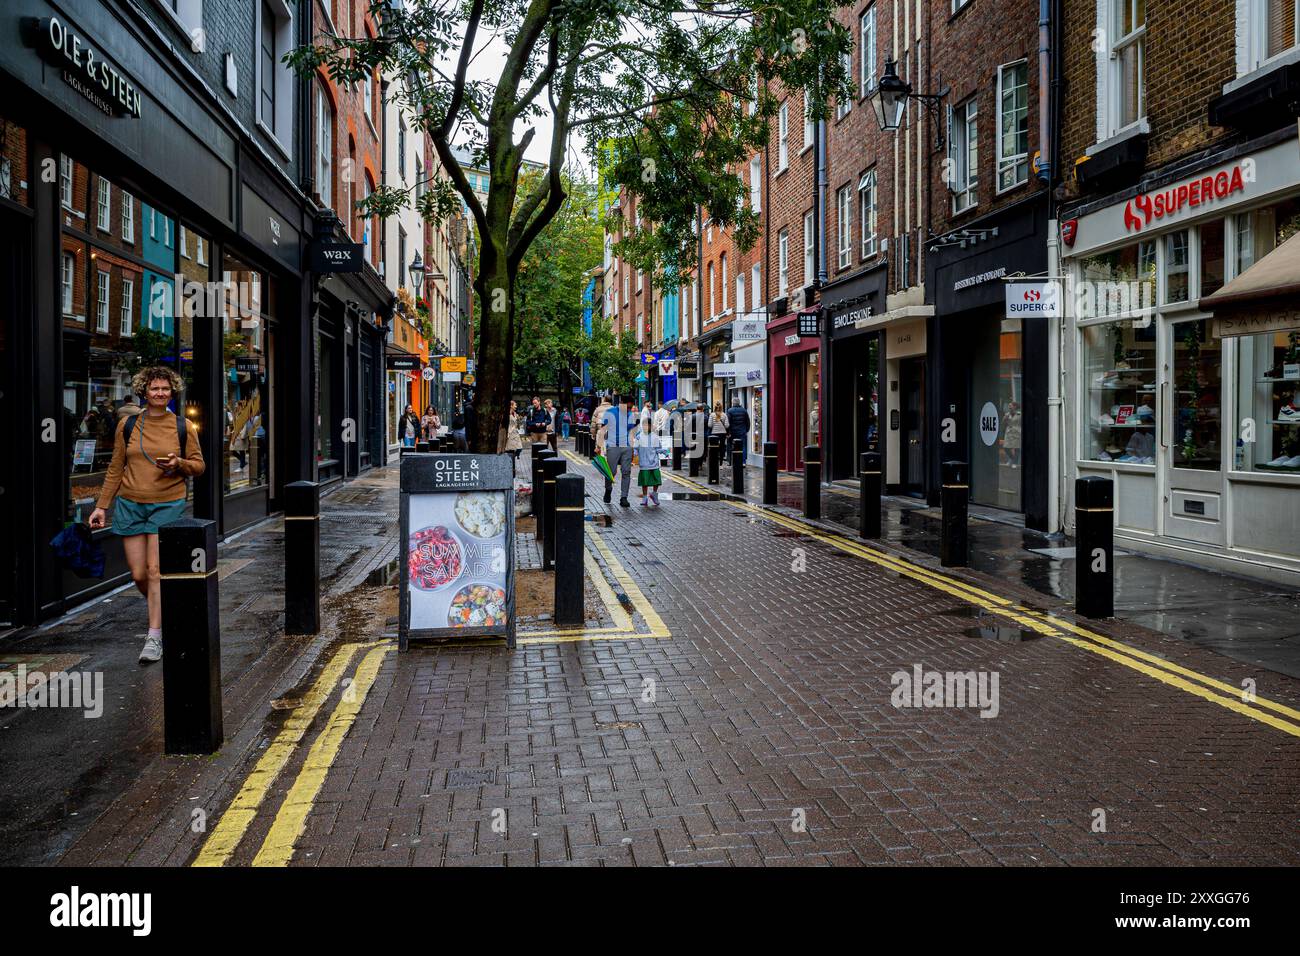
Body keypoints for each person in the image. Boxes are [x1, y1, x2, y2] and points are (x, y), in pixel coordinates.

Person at [87, 366, 205, 664]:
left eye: (165, 388)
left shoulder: (182, 426)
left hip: (167, 503)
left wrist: (179, 463)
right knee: (139, 574)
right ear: (144, 391)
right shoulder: (127, 425)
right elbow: (116, 468)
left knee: (155, 570)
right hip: (129, 504)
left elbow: (199, 466)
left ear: (172, 391)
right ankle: (163, 609)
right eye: (155, 388)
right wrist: (101, 506)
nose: (160, 393)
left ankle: (154, 636)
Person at [597, 396, 637, 507]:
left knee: (626, 472)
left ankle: (624, 497)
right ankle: (608, 490)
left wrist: (633, 447)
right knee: (611, 472)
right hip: (613, 446)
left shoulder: (630, 414)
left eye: (630, 407)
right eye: (627, 407)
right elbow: (602, 430)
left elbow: (631, 432)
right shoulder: (610, 412)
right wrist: (598, 446)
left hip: (627, 447)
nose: (629, 409)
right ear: (621, 403)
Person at [633, 416, 663, 508]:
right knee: (644, 482)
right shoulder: (639, 437)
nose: (646, 427)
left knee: (657, 480)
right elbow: (636, 448)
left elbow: (658, 449)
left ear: (651, 426)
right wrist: (634, 453)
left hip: (654, 462)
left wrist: (663, 451)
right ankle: (645, 497)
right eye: (644, 425)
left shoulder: (655, 437)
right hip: (644, 463)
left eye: (647, 425)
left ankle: (654, 494)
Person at [726, 395, 752, 466]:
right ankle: (743, 462)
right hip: (742, 431)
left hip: (733, 432)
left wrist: (728, 432)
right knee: (743, 446)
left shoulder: (729, 411)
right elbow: (748, 421)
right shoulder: (744, 410)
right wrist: (746, 430)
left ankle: (732, 461)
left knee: (732, 446)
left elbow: (728, 422)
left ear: (732, 403)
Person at [500, 400, 524, 471]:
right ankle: (511, 467)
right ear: (511, 406)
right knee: (510, 451)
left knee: (519, 448)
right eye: (515, 405)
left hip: (516, 434)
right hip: (509, 434)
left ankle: (512, 462)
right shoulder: (506, 414)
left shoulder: (515, 414)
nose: (516, 406)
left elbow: (518, 424)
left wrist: (519, 420)